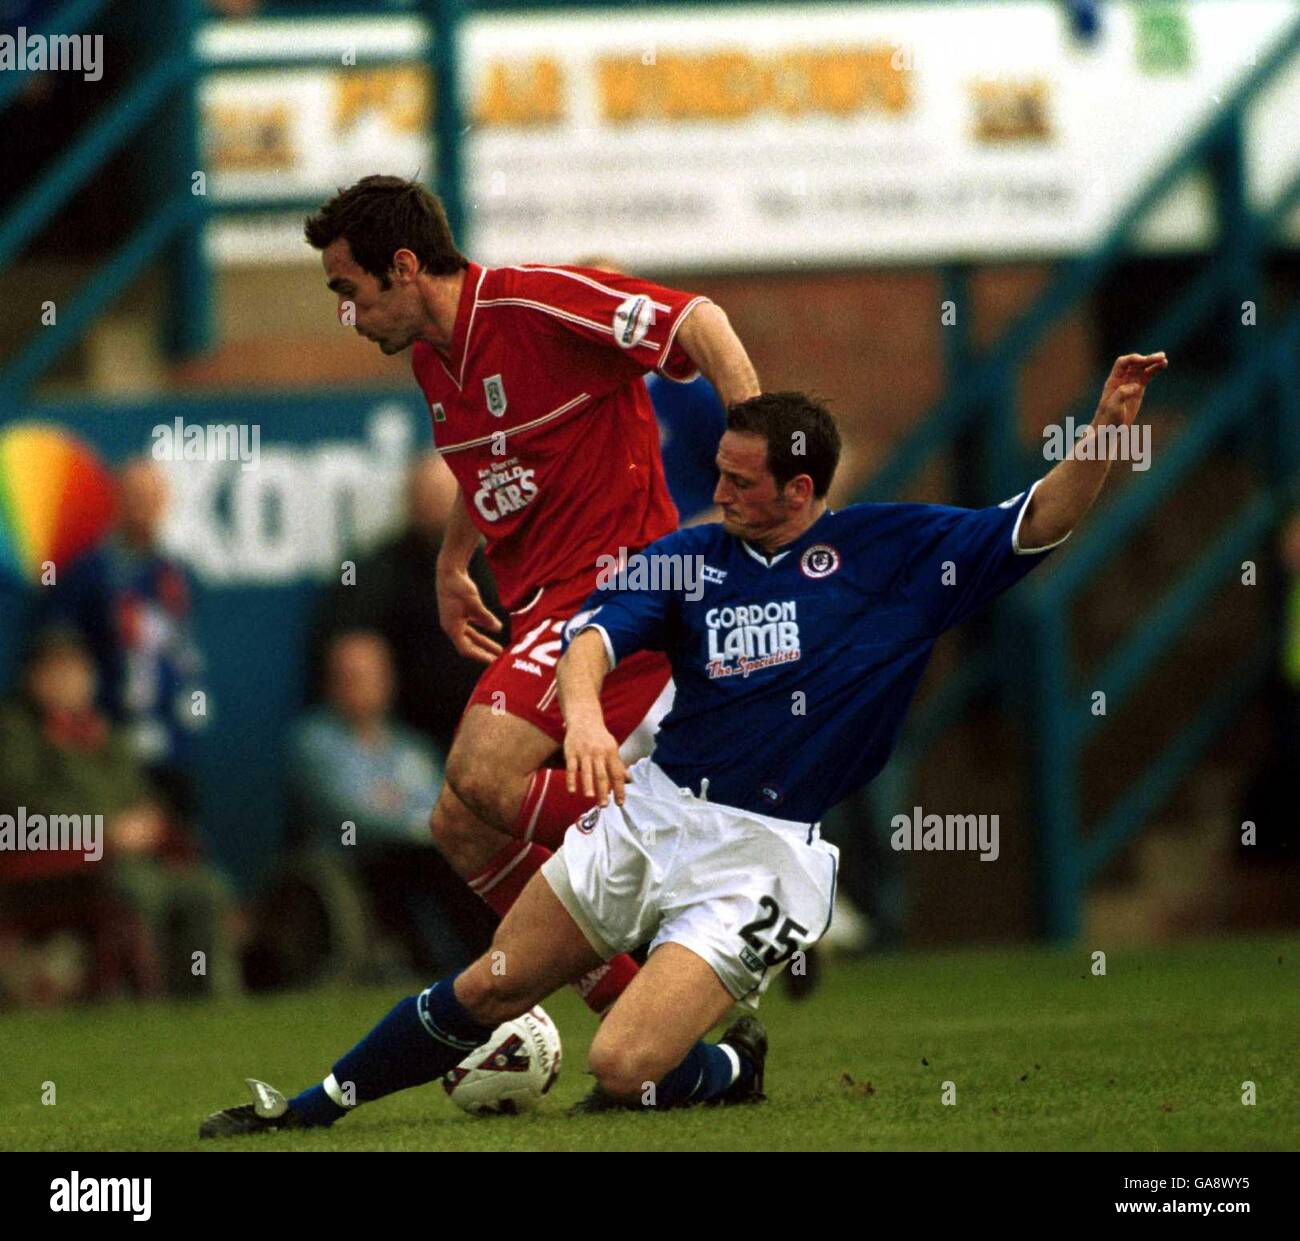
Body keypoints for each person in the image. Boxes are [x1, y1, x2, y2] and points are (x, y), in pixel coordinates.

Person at [199, 353, 1166, 1134]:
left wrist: (1108, 426)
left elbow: (1041, 518)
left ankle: (732, 1063)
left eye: (740, 481)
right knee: (493, 980)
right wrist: (581, 716)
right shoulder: (690, 557)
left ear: (800, 488)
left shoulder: (894, 555)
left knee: (621, 1066)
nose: (717, 490)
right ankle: (312, 1107)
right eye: (718, 472)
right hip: (655, 807)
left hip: (762, 853)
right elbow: (593, 636)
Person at [302, 175, 760, 1017]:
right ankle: (642, 1012)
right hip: (544, 601)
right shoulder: (434, 361)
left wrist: (756, 461)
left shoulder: (536, 302)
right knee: (460, 824)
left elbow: (704, 322)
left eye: (348, 291)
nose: (348, 313)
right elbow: (493, 470)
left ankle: (696, 842)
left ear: (403, 266)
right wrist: (452, 564)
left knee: (481, 770)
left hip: (621, 584)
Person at [0, 627, 236, 1000]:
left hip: (129, 858)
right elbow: (19, 804)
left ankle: (209, 1002)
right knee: (140, 890)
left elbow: (144, 797)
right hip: (60, 866)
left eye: (78, 670)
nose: (69, 680)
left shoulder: (106, 735)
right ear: (34, 677)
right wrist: (104, 831)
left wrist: (150, 823)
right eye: (57, 670)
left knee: (203, 888)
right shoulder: (14, 732)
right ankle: (145, 1002)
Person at [287, 631, 483, 977]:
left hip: (423, 853)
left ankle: (482, 959)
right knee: (420, 861)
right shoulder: (315, 742)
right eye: (349, 677)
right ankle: (433, 963)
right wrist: (414, 822)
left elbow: (442, 802)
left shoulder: (410, 745)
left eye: (370, 676)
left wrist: (406, 815)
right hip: (353, 859)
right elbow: (348, 813)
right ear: (331, 682)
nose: (361, 686)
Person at [45, 458, 206, 824]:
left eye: (153, 498)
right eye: (135, 497)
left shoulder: (175, 571)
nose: (144, 509)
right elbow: (56, 650)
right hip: (110, 743)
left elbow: (181, 648)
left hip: (174, 744)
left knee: (179, 845)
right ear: (116, 501)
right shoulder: (89, 572)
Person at [311, 452, 503, 756]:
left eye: (447, 494)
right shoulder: (372, 570)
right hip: (394, 739)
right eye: (428, 493)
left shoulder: (497, 570)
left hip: (488, 729)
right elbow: (349, 652)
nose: (438, 504)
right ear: (410, 498)